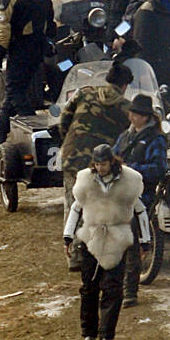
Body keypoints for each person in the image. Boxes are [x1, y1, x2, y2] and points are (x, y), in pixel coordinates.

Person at [63, 144, 150, 340]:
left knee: (113, 288)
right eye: (97, 164)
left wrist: (145, 240)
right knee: (89, 288)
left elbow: (140, 210)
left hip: (117, 238)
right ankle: (89, 333)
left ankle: (107, 334)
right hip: (91, 236)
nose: (100, 168)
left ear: (112, 162)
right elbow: (77, 207)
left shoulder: (129, 181)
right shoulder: (86, 181)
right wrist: (68, 237)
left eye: (104, 164)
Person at [59, 60, 134, 269]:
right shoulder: (125, 107)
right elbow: (127, 139)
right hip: (100, 164)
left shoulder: (84, 93)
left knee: (73, 204)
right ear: (125, 85)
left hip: (72, 157)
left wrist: (68, 144)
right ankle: (93, 255)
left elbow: (64, 120)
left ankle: (73, 257)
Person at [0, 0, 55, 144]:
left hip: (20, 49)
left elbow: (4, 30)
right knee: (15, 90)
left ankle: (34, 124)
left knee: (15, 90)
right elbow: (51, 26)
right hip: (39, 48)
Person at [113, 94, 167, 305]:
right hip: (119, 195)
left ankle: (129, 292)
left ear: (145, 117)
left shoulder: (156, 139)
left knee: (132, 246)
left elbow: (158, 169)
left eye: (135, 113)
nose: (131, 116)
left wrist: (130, 170)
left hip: (141, 196)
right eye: (131, 113)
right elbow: (114, 155)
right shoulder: (125, 136)